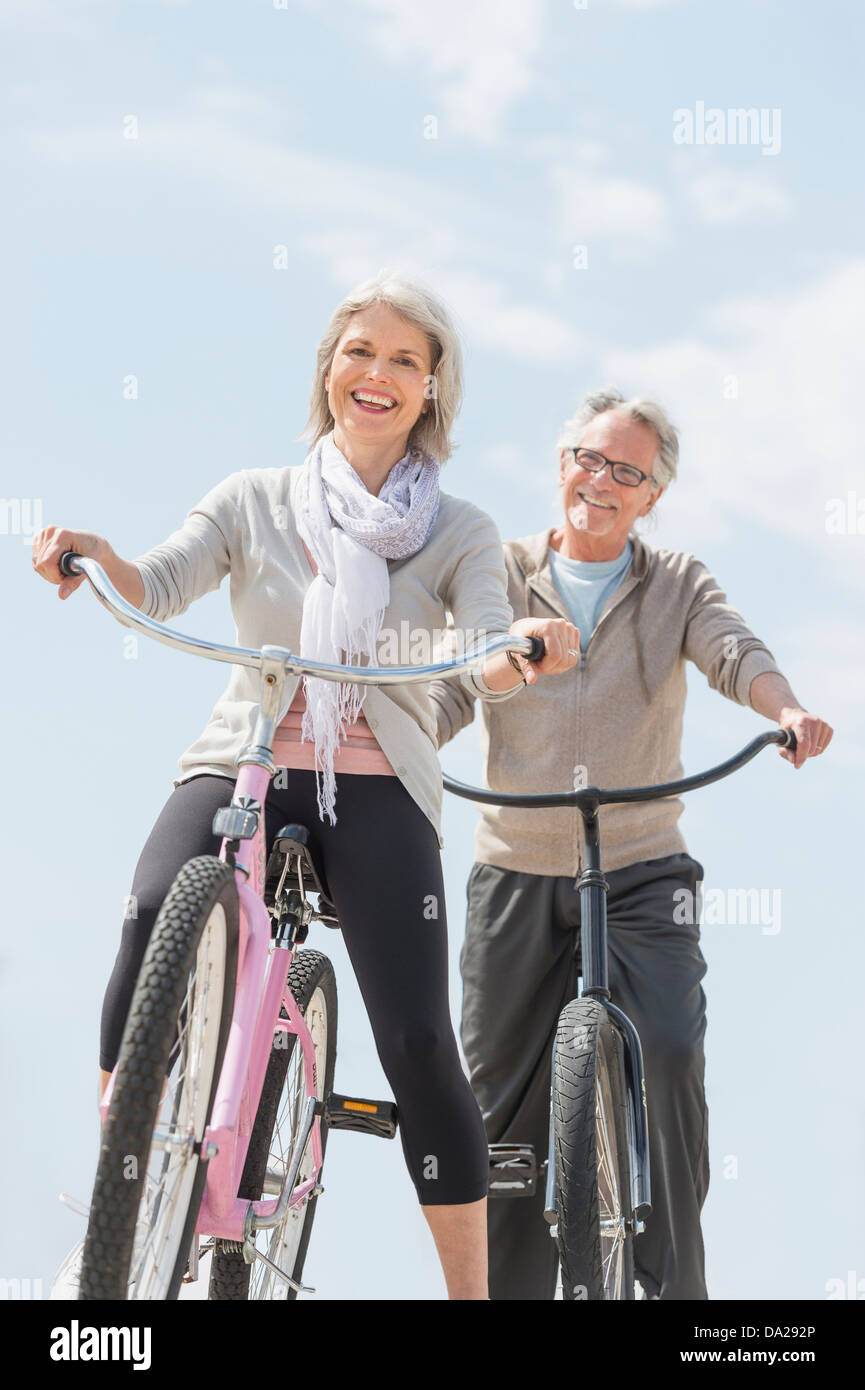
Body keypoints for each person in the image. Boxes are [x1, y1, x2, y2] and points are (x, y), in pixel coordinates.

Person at [33, 272, 579, 1301]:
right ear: (330, 369)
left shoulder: (456, 529)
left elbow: (481, 649)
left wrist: (520, 651)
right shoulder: (253, 499)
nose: (376, 373)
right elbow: (162, 577)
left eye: (404, 360)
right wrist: (97, 556)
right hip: (245, 754)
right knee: (154, 908)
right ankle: (125, 1199)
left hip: (376, 781)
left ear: (431, 392)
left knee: (417, 1037)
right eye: (358, 351)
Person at [428, 387, 834, 1300]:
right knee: (494, 1105)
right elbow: (456, 687)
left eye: (627, 471)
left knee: (671, 1051)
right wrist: (393, 741)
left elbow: (734, 650)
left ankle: (677, 1294)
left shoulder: (677, 582)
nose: (599, 481)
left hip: (644, 868)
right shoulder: (499, 571)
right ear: (560, 461)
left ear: (651, 496)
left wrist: (789, 709)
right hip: (515, 869)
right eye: (587, 458)